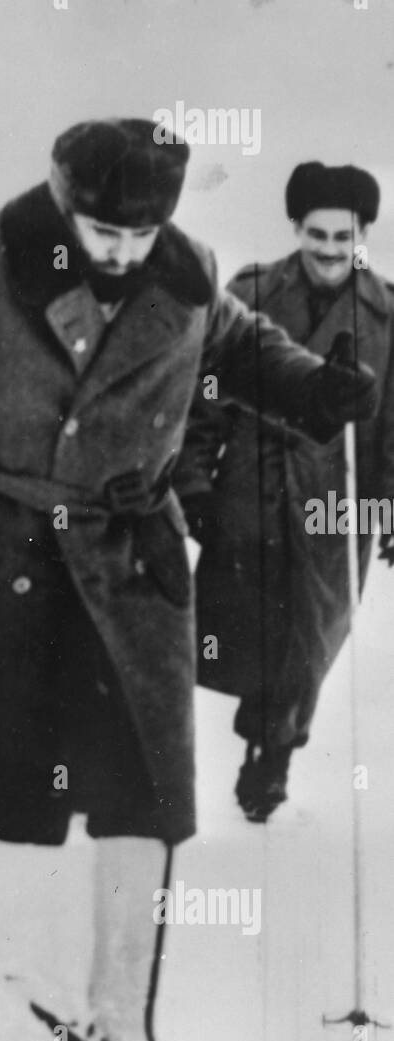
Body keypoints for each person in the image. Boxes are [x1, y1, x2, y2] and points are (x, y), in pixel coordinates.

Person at [0, 119, 376, 1041]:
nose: (122, 250)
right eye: (100, 231)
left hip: (125, 556)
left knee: (148, 790)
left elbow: (236, 341)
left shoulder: (185, 271)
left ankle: (120, 1019)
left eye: (139, 233)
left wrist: (310, 385)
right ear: (62, 203)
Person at [176, 163, 394, 822]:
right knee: (228, 629)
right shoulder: (251, 293)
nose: (330, 249)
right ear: (296, 228)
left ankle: (271, 756)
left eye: (344, 236)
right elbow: (204, 397)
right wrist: (192, 482)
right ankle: (160, 761)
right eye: (317, 234)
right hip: (252, 489)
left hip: (337, 504)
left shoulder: (389, 314)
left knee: (309, 641)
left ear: (363, 234)